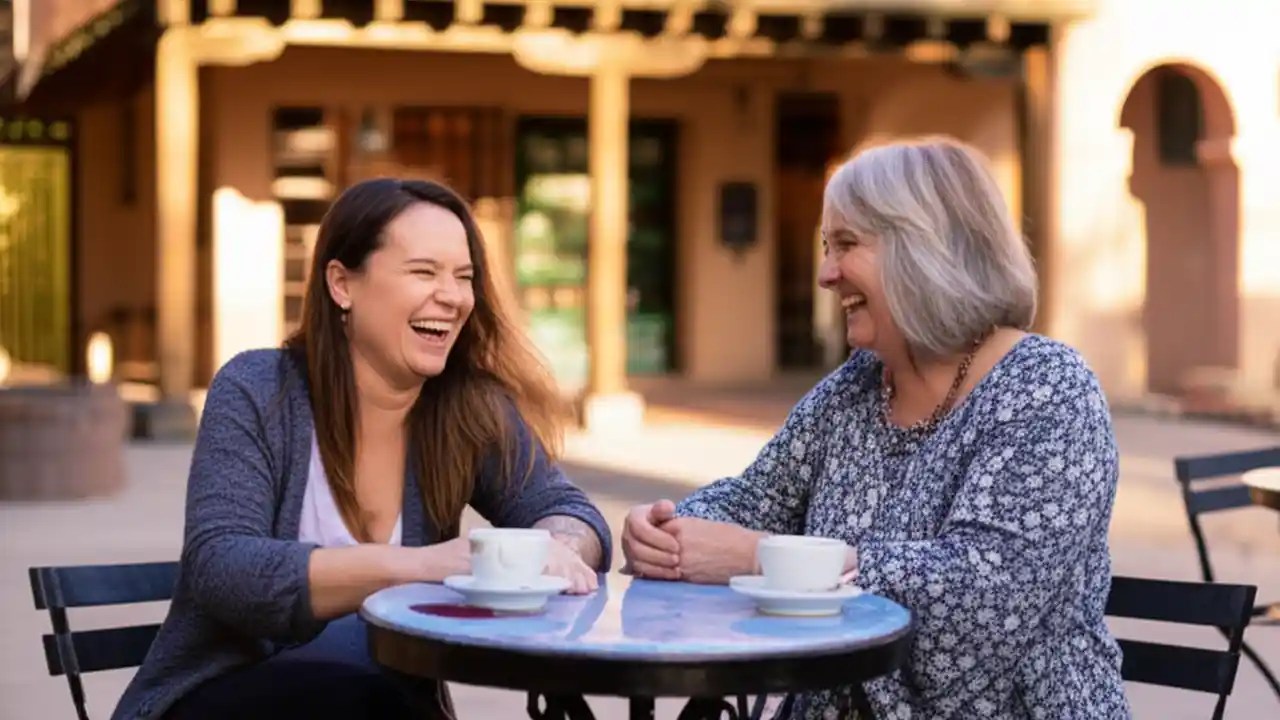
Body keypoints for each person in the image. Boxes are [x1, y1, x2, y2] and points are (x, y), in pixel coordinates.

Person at [621, 137, 1130, 719]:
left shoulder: (1048, 387)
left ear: (926, 249)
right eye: (824, 247)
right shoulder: (857, 386)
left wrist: (764, 560)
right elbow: (757, 498)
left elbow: (986, 595)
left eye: (845, 245)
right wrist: (673, 531)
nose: (825, 275)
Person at [113, 178, 612, 720]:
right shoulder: (258, 388)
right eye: (424, 271)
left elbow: (573, 513)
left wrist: (555, 548)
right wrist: (422, 565)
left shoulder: (468, 408)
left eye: (464, 277)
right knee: (361, 695)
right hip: (223, 695)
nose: (452, 296)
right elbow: (223, 568)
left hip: (378, 702)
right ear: (342, 284)